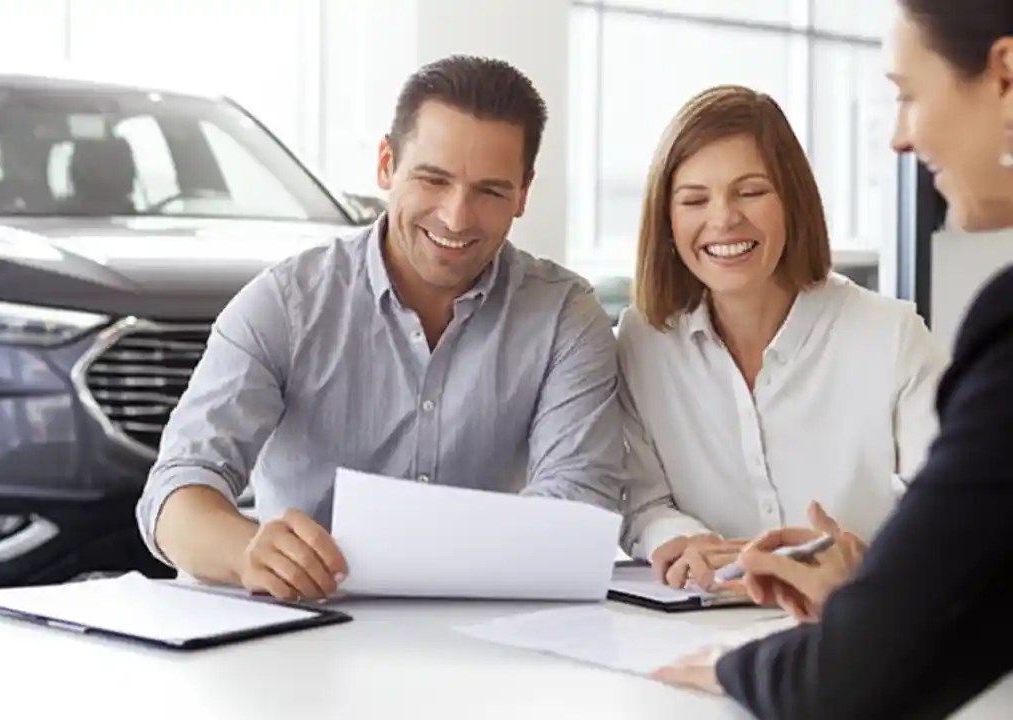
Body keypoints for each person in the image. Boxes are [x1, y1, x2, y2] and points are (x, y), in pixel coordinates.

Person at [135, 55, 627, 602]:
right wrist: (246, 551)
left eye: (490, 191)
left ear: (523, 193)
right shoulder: (285, 304)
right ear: (387, 164)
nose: (456, 217)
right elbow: (176, 492)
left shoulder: (565, 316)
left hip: (483, 630)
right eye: (433, 179)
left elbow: (579, 503)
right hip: (305, 628)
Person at [654, 0, 1013, 716]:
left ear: (1005, 77)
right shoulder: (647, 340)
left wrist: (739, 665)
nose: (900, 137)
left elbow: (846, 682)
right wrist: (870, 601)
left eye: (908, 95)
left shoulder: (976, 329)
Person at [617, 84, 949, 589]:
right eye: (694, 199)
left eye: (751, 192)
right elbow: (641, 499)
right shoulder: (644, 338)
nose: (724, 218)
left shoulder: (891, 335)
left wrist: (864, 561)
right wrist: (678, 538)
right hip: (698, 626)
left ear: (792, 201)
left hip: (858, 625)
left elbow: (953, 512)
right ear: (667, 219)